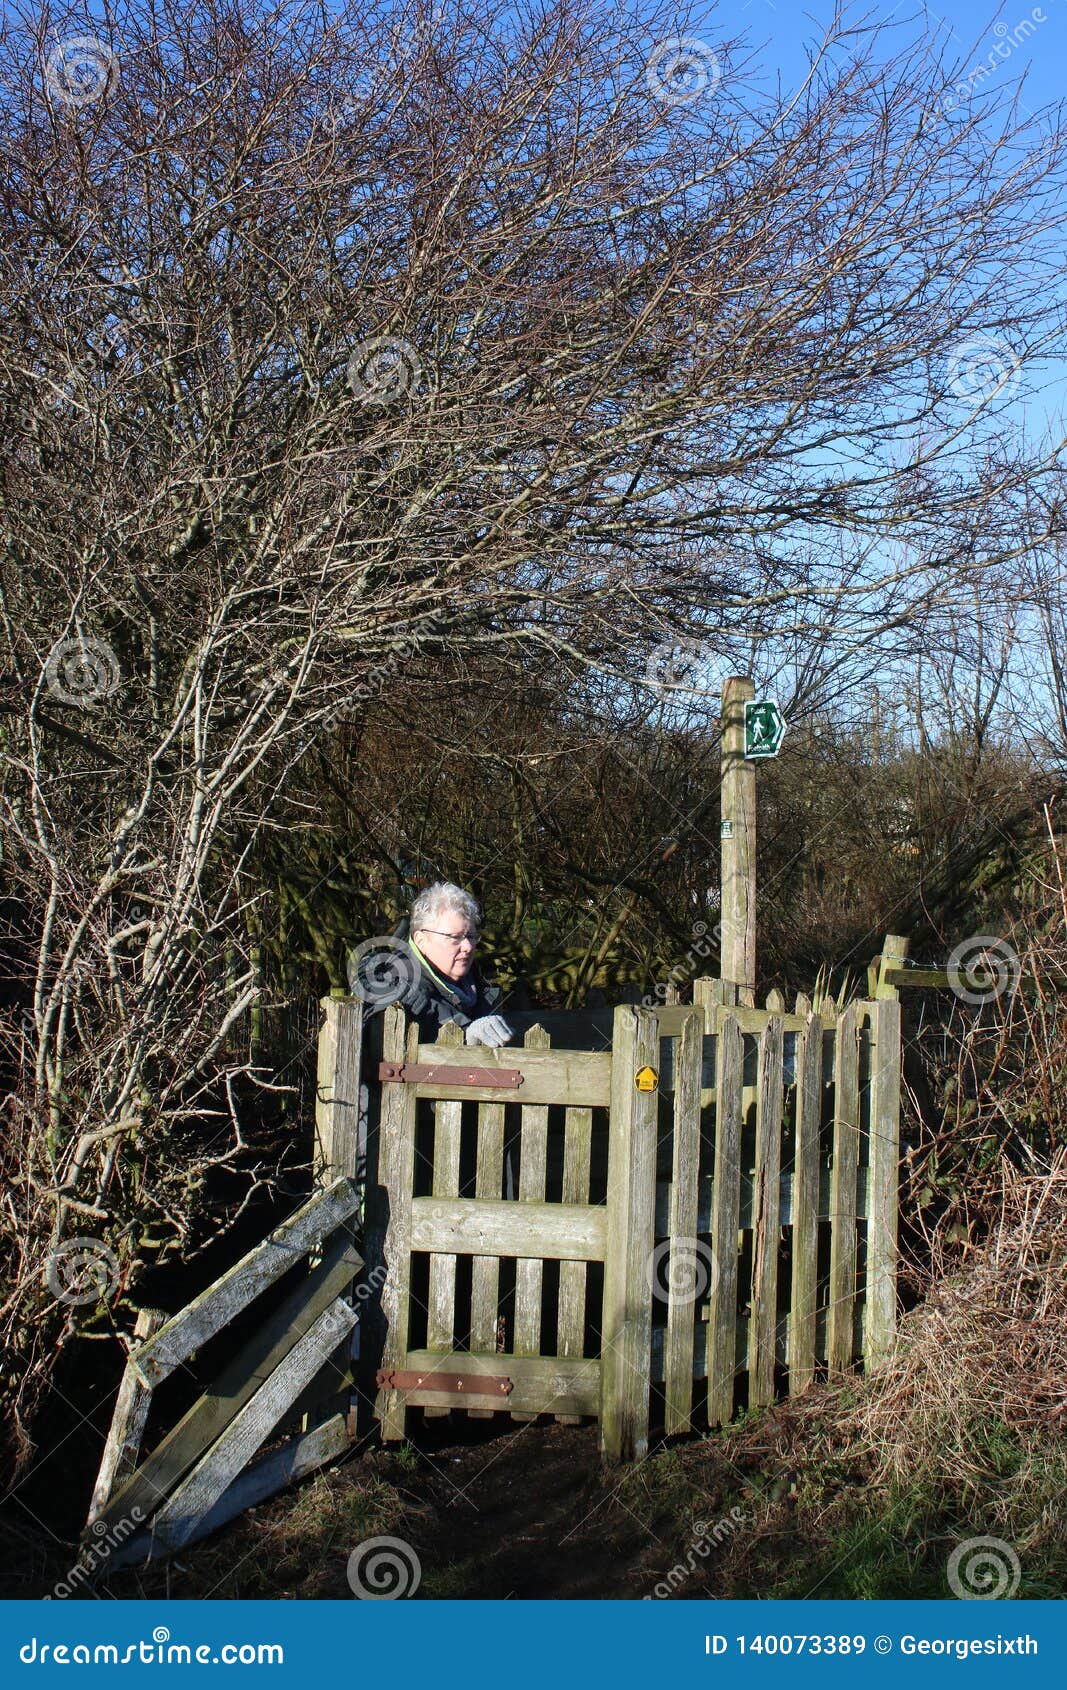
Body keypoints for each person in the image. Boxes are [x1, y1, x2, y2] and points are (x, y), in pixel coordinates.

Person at [348, 880, 513, 1045]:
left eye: (470, 936)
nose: (468, 947)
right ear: (421, 940)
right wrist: (466, 1034)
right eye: (454, 937)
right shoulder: (393, 987)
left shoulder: (478, 985)